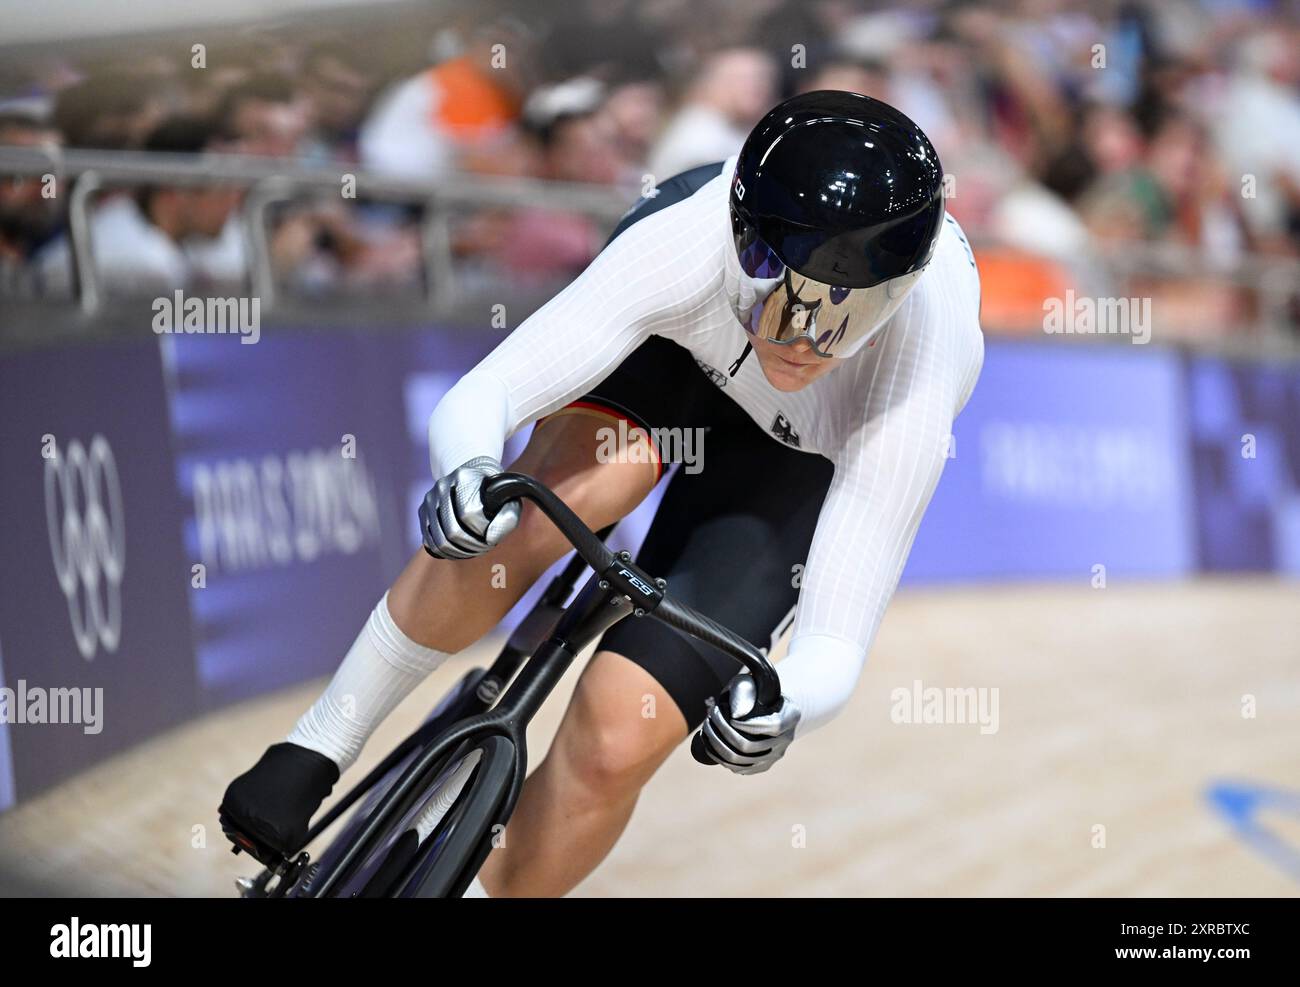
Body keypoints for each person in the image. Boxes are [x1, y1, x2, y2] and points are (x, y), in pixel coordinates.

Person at [220, 90, 984, 897]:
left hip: (794, 457)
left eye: (844, 317)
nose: (798, 338)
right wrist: (470, 473)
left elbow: (835, 639)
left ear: (898, 298)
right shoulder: (684, 242)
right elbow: (487, 396)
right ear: (741, 237)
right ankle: (319, 742)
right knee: (543, 510)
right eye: (777, 288)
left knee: (619, 736)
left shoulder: (916, 371)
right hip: (678, 353)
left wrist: (785, 702)